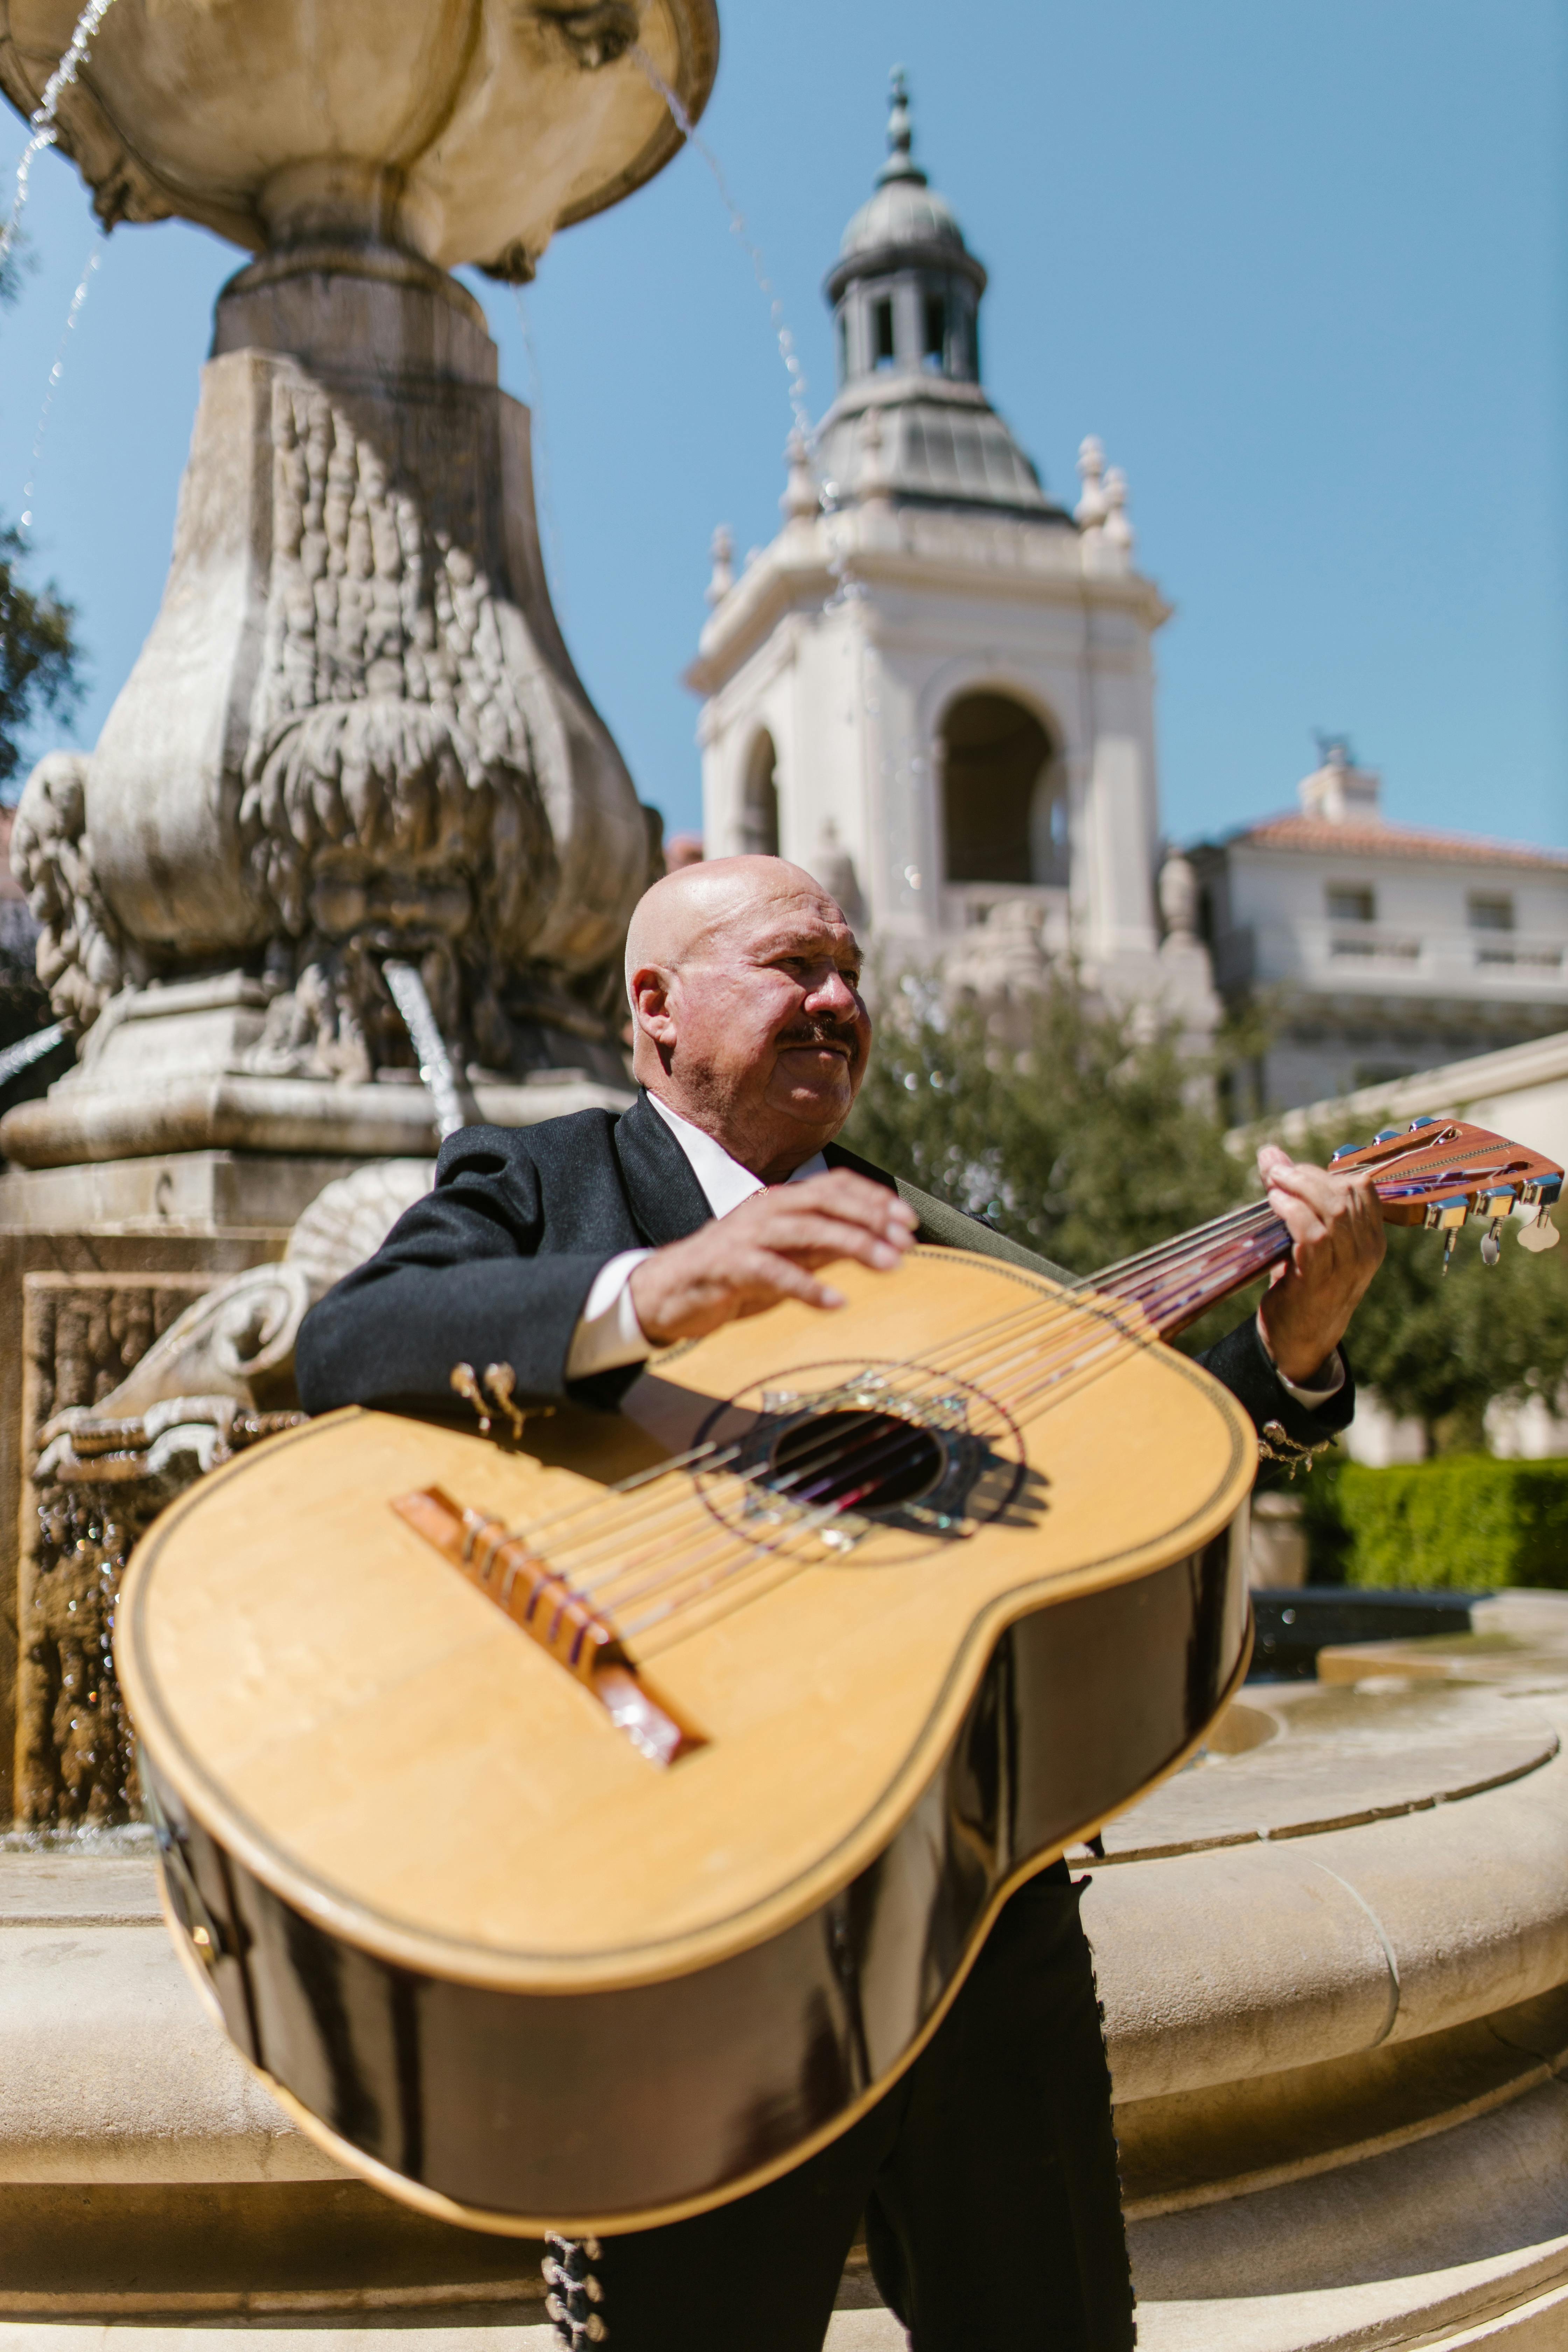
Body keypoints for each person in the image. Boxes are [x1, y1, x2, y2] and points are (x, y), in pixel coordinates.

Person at [296, 857, 1383, 2352]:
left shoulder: (917, 1231)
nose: (836, 999)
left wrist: (1296, 1352)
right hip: (689, 1921)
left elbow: (1135, 1424)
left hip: (979, 1898)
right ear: (655, 1009)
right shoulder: (552, 1181)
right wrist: (650, 1293)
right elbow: (349, 1343)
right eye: (791, 964)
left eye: (848, 973)